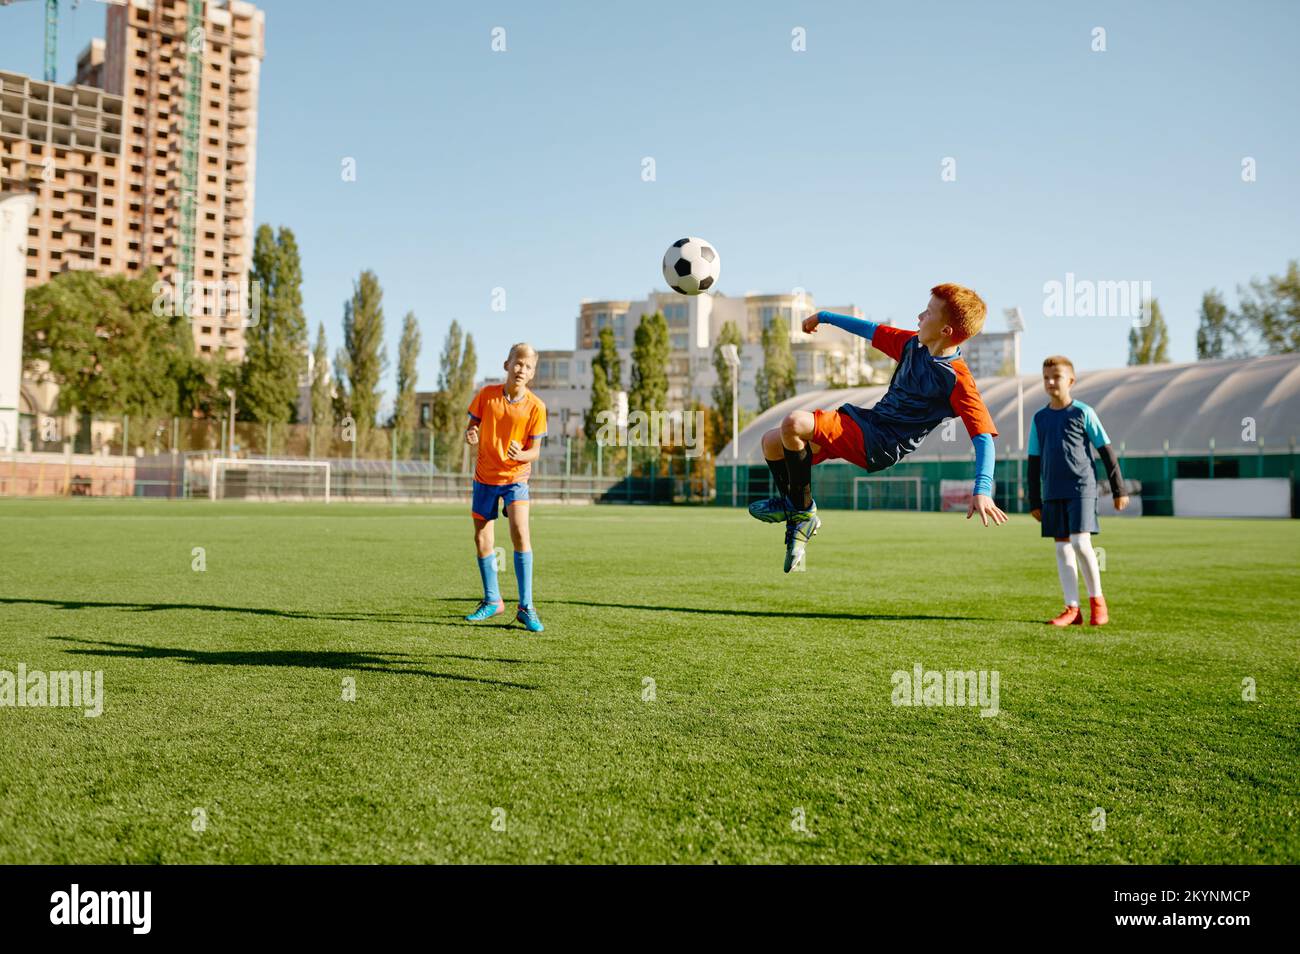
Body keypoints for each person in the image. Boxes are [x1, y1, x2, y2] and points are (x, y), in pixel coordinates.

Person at [749, 284, 1007, 571]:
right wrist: (824, 316)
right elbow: (871, 329)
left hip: (881, 444)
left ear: (946, 330)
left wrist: (982, 489)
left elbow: (983, 437)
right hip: (867, 423)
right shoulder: (913, 345)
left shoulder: (958, 381)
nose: (919, 316)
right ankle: (796, 508)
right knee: (771, 442)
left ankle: (800, 512)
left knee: (794, 422)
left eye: (928, 312)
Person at [1028, 355, 1128, 626]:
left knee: (1080, 543)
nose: (1050, 382)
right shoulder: (1039, 419)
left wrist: (1119, 489)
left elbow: (1107, 452)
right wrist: (1034, 499)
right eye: (1046, 377)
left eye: (1056, 377)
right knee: (1062, 550)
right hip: (1051, 491)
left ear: (1071, 380)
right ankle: (1072, 608)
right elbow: (1033, 461)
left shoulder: (1084, 412)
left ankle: (1098, 602)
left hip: (1082, 487)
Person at [463, 342, 548, 633]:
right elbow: (471, 428)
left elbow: (534, 451)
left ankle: (526, 607)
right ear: (506, 365)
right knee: (482, 540)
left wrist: (520, 454)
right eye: (518, 363)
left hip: (516, 479)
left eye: (528, 366)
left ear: (532, 373)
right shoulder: (486, 396)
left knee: (521, 533)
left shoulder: (536, 407)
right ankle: (492, 600)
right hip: (485, 478)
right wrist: (471, 435)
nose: (521, 369)